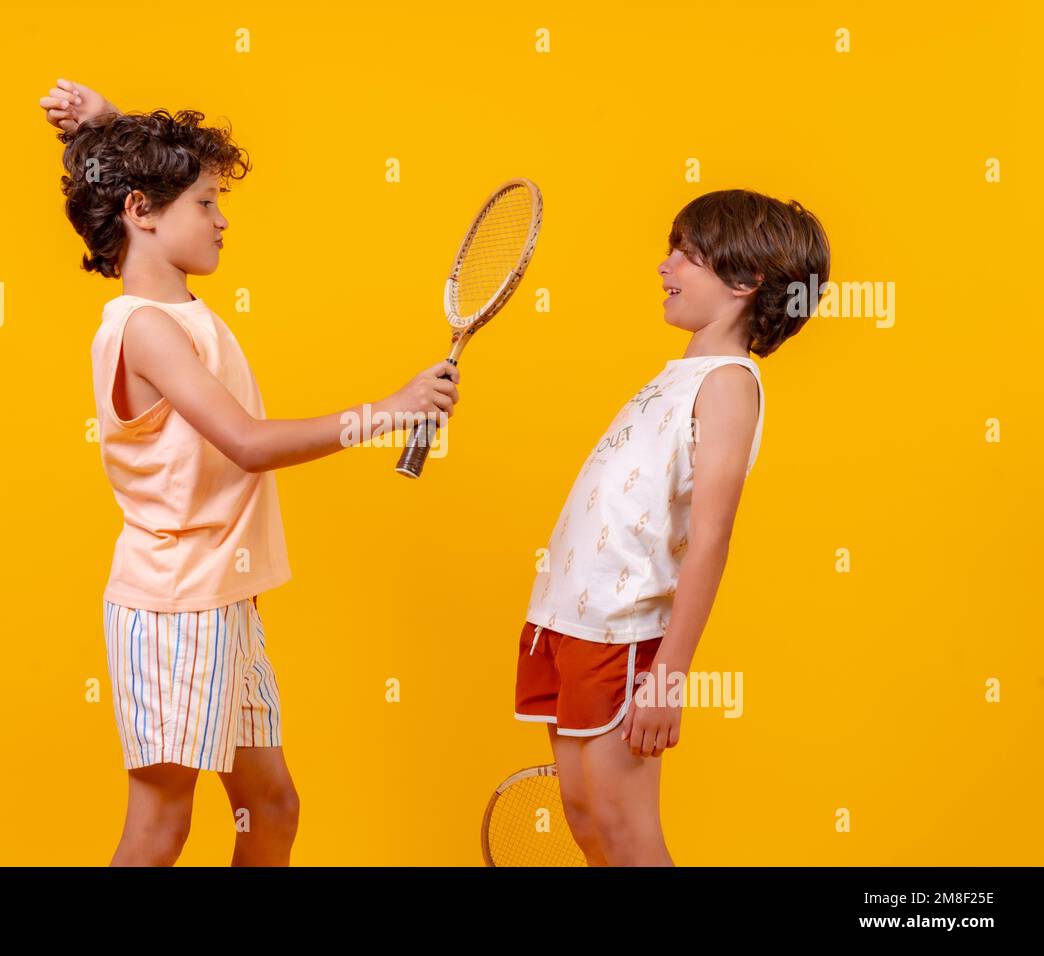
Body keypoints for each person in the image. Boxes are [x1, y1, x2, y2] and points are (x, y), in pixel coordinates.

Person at [40, 79, 459, 866]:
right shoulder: (146, 331)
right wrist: (389, 409)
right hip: (174, 608)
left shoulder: (181, 314)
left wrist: (107, 126)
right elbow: (247, 441)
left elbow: (134, 172)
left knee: (271, 807)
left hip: (222, 598)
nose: (222, 217)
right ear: (141, 212)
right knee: (163, 824)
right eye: (205, 202)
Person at [514, 189, 830, 865]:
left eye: (687, 255)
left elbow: (712, 537)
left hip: (622, 636)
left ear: (745, 282)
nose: (665, 266)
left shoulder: (727, 383)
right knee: (587, 819)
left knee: (627, 835)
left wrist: (669, 678)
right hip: (566, 623)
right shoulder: (677, 374)